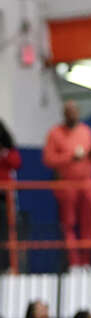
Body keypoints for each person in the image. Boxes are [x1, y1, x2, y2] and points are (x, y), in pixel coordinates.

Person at [42, 99, 91, 270]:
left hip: (86, 183)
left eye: (74, 111)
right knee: (69, 224)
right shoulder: (55, 133)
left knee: (88, 224)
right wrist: (70, 157)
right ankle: (73, 264)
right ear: (64, 114)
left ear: (78, 113)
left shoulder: (86, 131)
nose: (72, 114)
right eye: (69, 112)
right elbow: (48, 159)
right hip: (66, 184)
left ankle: (86, 263)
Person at [0, 116, 21, 272]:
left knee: (6, 231)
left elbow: (16, 163)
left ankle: (7, 266)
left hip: (4, 195)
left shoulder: (7, 149)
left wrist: (4, 153)